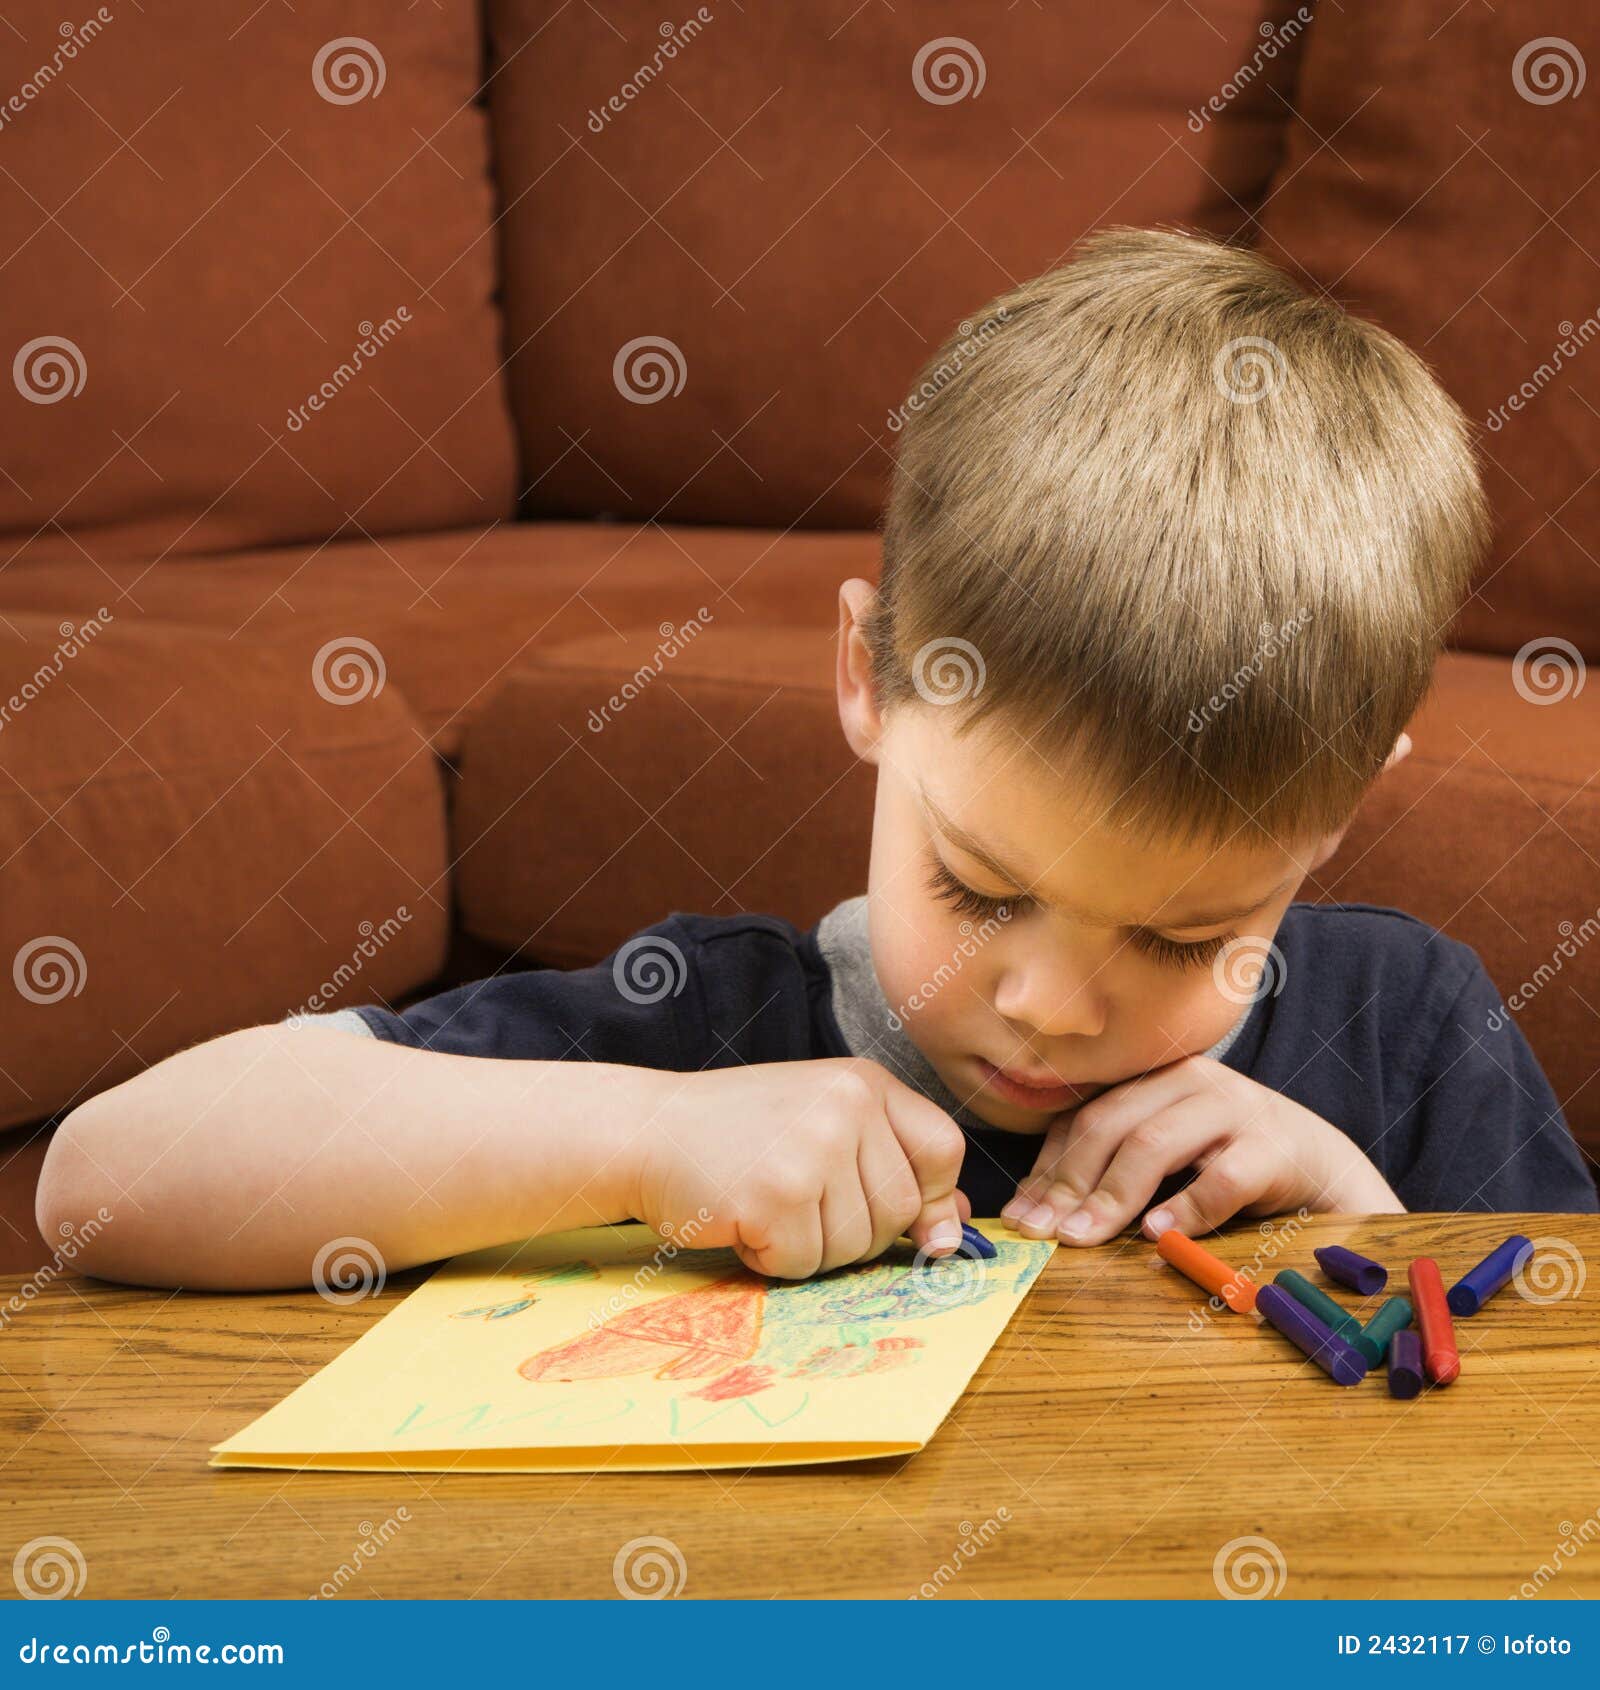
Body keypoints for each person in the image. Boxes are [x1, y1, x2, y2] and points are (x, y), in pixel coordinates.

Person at [37, 227, 1595, 1291]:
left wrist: (1380, 1237)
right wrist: (645, 1138)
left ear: (1342, 807)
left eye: (1186, 935)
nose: (1049, 1004)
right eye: (979, 887)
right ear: (868, 676)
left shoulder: (1410, 1039)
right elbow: (101, 1179)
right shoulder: (712, 1031)